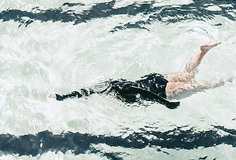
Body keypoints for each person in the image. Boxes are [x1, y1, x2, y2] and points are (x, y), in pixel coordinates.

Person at [55, 40, 226, 109]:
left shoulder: (121, 91)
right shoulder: (112, 83)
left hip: (162, 91)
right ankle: (202, 51)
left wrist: (165, 103)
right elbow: (84, 92)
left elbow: (143, 93)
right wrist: (62, 97)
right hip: (155, 78)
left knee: (202, 86)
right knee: (187, 75)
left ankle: (231, 77)